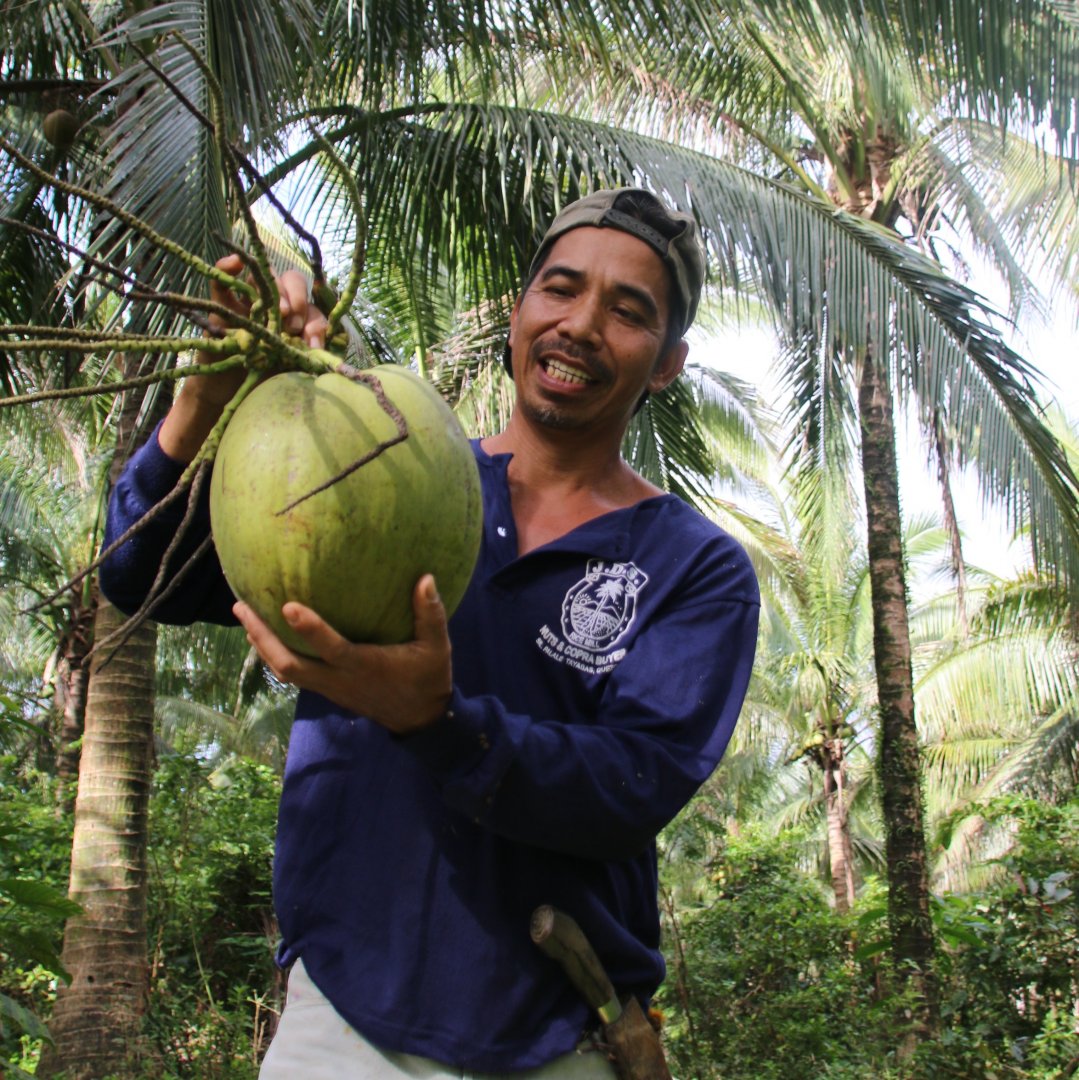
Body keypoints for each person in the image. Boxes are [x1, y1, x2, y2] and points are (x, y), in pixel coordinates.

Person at [100, 188, 760, 1078]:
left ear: (667, 362)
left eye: (628, 311)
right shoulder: (383, 461)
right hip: (340, 1023)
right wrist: (205, 395)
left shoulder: (693, 566)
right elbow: (140, 576)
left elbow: (628, 787)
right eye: (559, 290)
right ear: (520, 311)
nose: (581, 325)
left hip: (560, 1034)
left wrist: (438, 725)